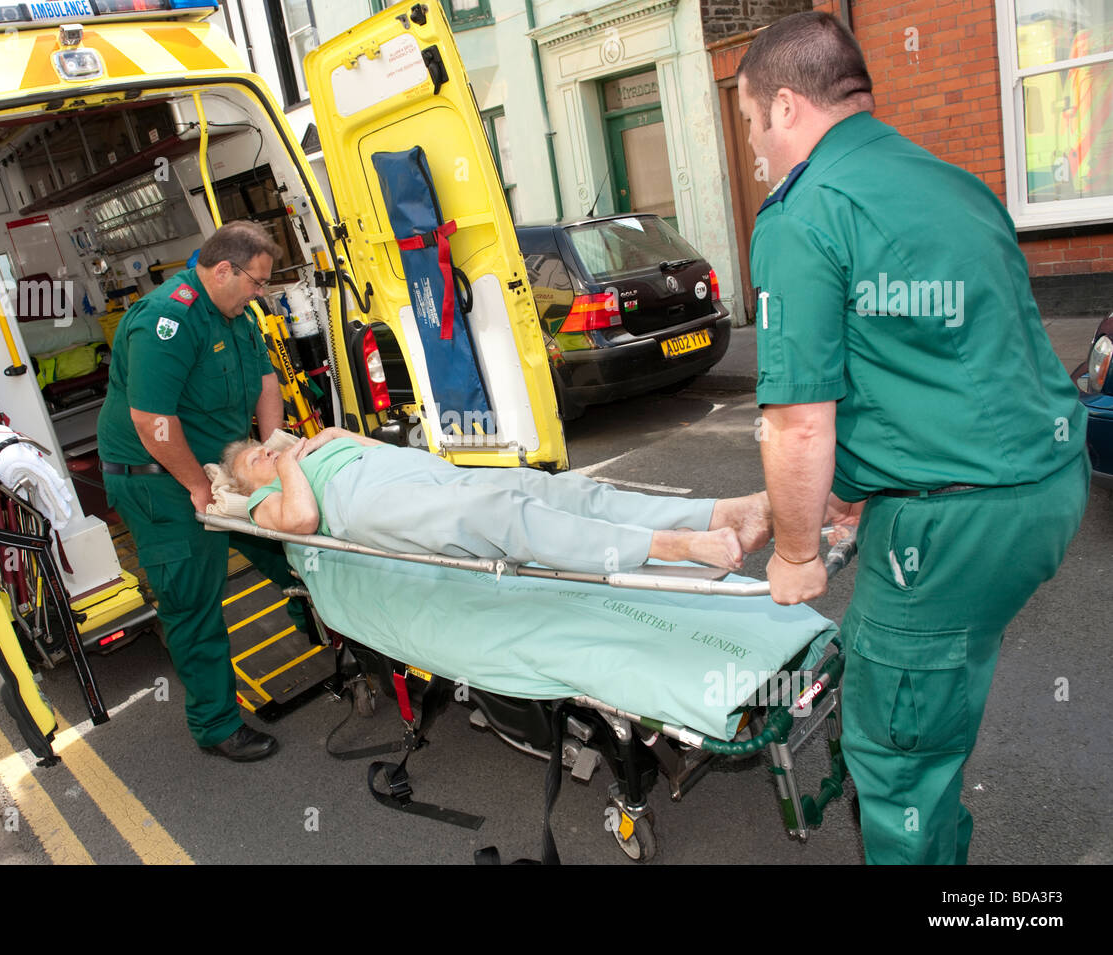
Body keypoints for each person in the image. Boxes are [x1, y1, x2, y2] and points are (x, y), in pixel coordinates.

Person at [737, 11, 1090, 863]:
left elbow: (796, 422)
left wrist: (794, 553)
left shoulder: (805, 211)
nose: (753, 150)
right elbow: (952, 361)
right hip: (1044, 488)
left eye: (751, 123)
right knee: (913, 682)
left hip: (951, 524)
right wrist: (853, 497)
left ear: (786, 108)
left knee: (896, 756)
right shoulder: (953, 183)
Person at [97, 220, 295, 763]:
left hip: (220, 465)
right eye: (256, 282)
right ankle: (216, 726)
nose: (261, 294)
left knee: (290, 553)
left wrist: (273, 450)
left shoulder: (236, 313)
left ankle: (330, 635)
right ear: (224, 269)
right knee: (193, 603)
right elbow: (152, 421)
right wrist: (196, 487)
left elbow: (265, 382)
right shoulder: (167, 319)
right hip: (163, 482)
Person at [225, 427, 772, 574]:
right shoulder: (267, 499)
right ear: (248, 484)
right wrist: (290, 464)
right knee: (496, 517)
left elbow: (381, 446)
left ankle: (718, 512)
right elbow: (301, 519)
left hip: (413, 471)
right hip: (377, 508)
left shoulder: (311, 448)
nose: (266, 454)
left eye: (265, 448)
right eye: (254, 459)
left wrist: (341, 435)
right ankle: (673, 545)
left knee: (545, 485)